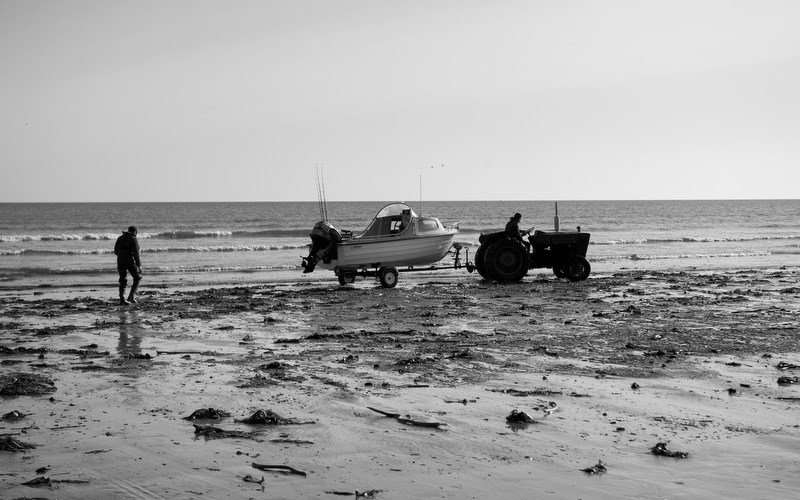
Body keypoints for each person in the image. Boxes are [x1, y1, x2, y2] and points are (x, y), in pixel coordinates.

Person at [114, 226, 142, 305]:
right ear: (135, 232)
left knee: (123, 279)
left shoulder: (120, 238)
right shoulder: (133, 239)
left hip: (120, 260)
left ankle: (122, 299)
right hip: (129, 260)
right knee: (137, 277)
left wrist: (121, 256)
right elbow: (136, 253)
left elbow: (115, 251)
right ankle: (131, 296)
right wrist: (139, 265)